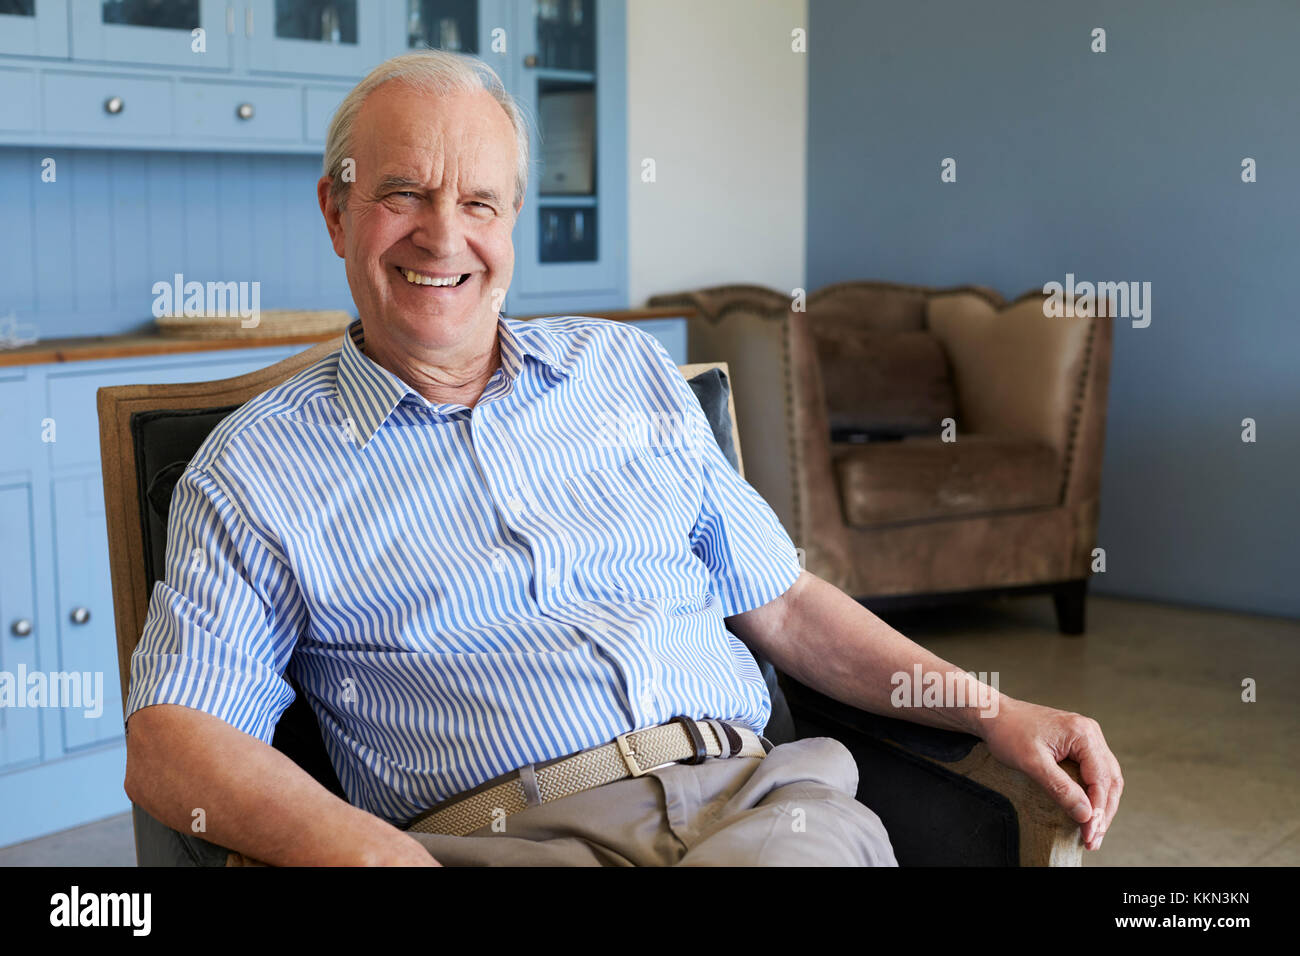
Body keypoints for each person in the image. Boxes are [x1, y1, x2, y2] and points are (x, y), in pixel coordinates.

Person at [123, 51, 1122, 866]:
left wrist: (991, 707)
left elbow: (781, 601)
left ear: (513, 223)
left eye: (480, 201)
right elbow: (174, 741)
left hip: (768, 809)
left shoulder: (628, 370)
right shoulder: (254, 468)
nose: (443, 233)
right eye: (402, 194)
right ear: (337, 212)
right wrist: (376, 859)